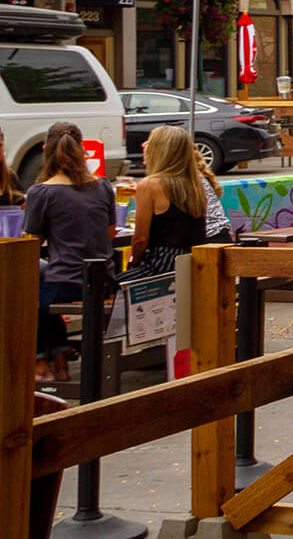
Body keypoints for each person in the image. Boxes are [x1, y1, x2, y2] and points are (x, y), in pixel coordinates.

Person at [23, 128, 115, 381]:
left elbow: (31, 244)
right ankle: (61, 359)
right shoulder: (102, 187)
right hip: (103, 282)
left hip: (67, 283)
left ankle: (42, 362)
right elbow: (110, 234)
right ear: (81, 149)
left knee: (23, 294)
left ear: (45, 151)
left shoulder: (41, 192)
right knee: (43, 284)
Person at [129, 126, 216, 268]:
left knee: (109, 286)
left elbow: (140, 239)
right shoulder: (195, 184)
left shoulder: (149, 184)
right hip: (194, 265)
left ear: (157, 152)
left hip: (163, 263)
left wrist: (134, 261)